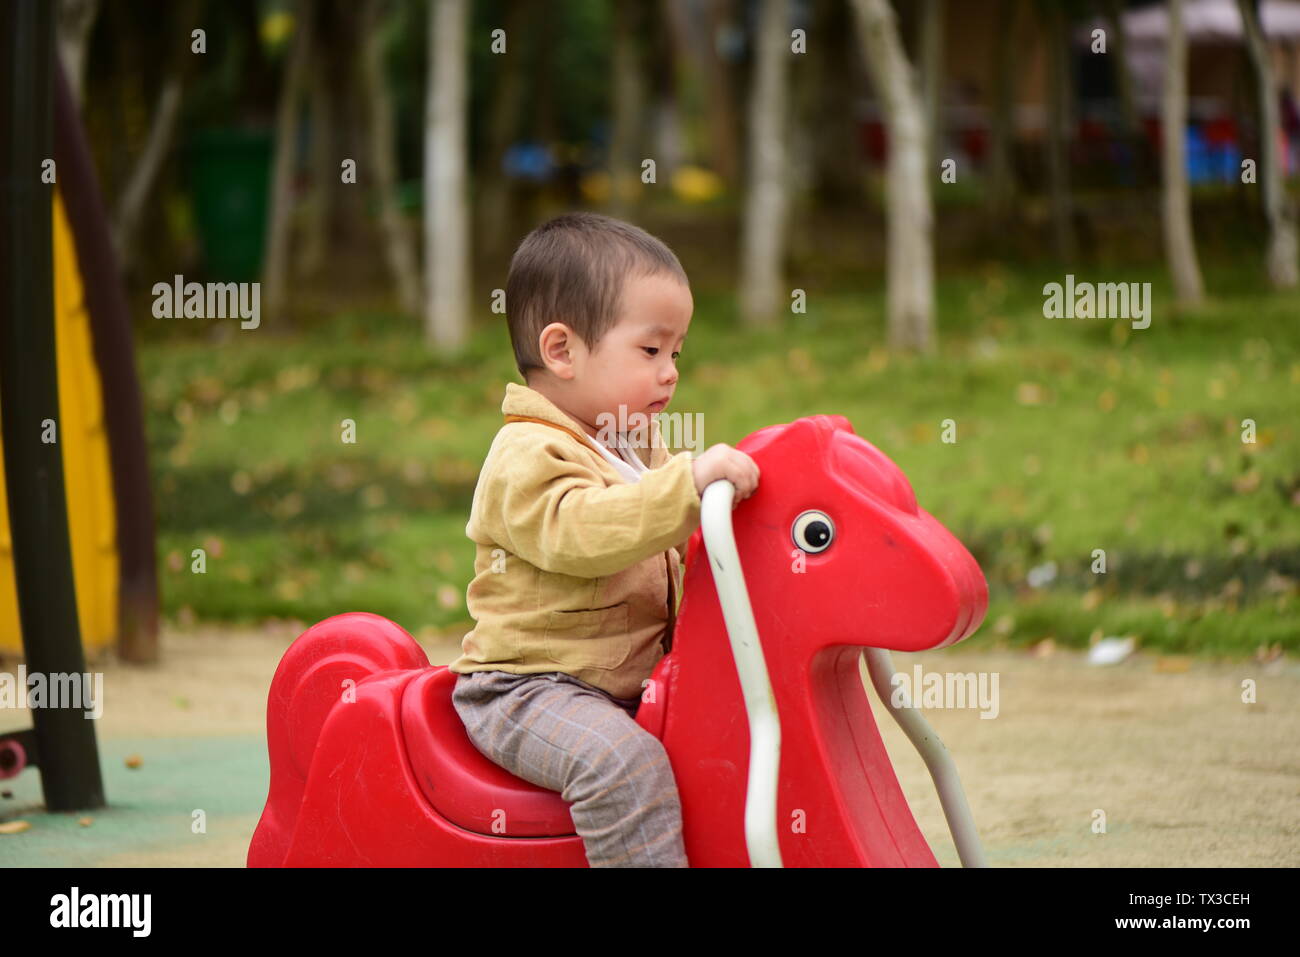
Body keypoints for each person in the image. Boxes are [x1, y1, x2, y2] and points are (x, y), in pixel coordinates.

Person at [447, 211, 760, 867]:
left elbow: (676, 544)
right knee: (624, 763)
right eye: (651, 351)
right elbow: (584, 531)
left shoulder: (631, 441)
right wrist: (688, 488)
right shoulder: (526, 454)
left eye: (677, 352)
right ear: (561, 351)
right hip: (527, 688)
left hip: (616, 682)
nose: (671, 371)